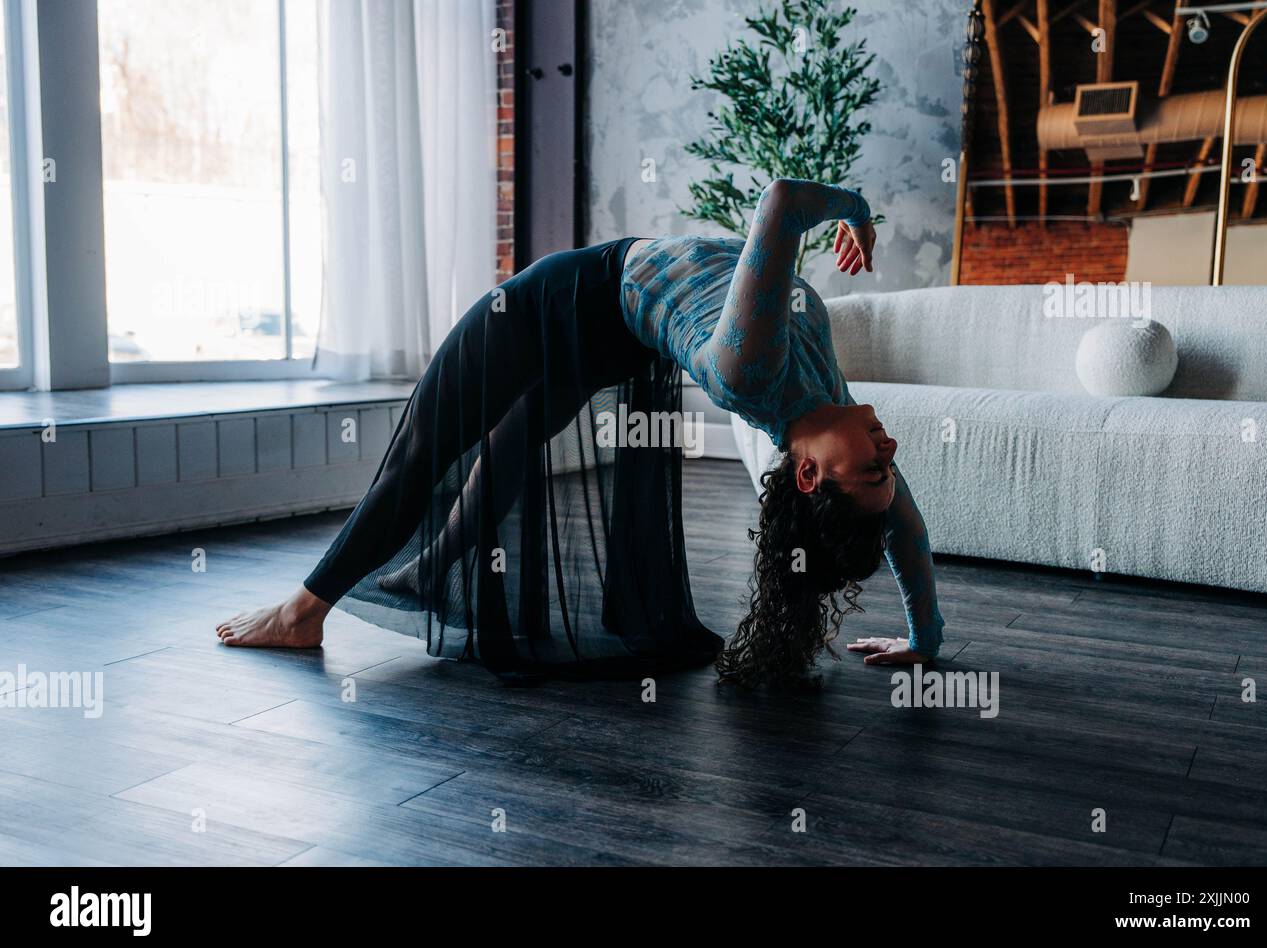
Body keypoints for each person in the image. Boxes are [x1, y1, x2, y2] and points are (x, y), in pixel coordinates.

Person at [216, 178, 944, 688]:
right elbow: (903, 531)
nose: (890, 452)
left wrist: (854, 211)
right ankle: (432, 567)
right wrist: (924, 640)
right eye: (887, 466)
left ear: (811, 474)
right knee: (510, 440)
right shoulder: (834, 410)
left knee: (423, 446)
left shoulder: (754, 372)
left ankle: (302, 613)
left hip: (567, 297)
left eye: (873, 470)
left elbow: (782, 202)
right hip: (616, 327)